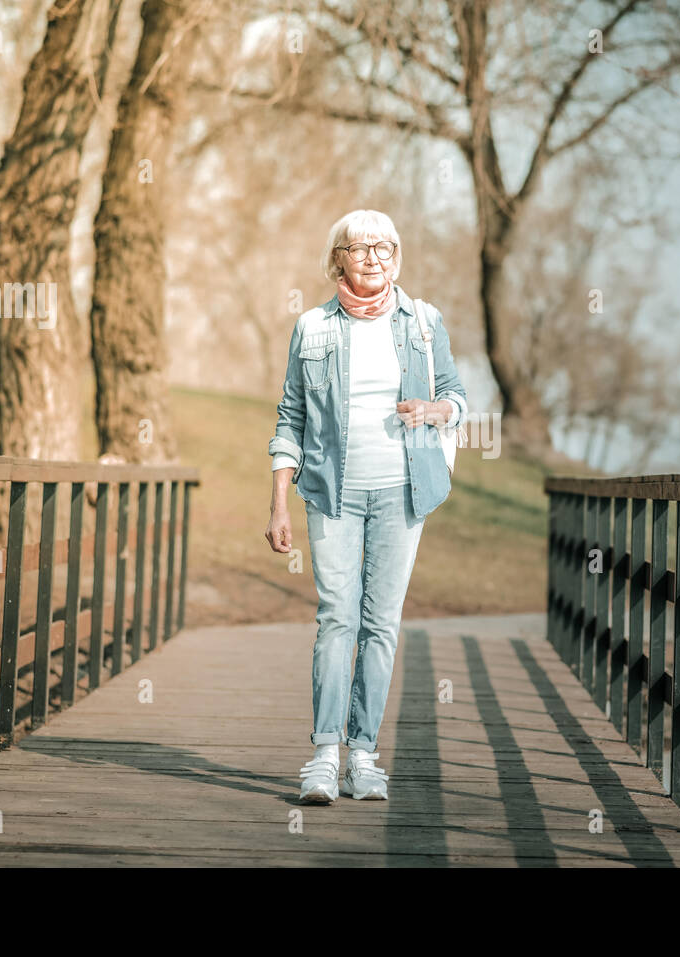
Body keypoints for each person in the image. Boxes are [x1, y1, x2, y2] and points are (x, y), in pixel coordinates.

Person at [264, 209, 467, 803]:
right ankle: (325, 756)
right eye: (360, 247)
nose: (374, 256)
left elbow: (454, 394)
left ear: (396, 256)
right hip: (332, 493)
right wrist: (279, 501)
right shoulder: (313, 327)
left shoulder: (424, 323)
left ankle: (365, 757)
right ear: (339, 260)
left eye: (384, 246)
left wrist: (434, 411)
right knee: (337, 618)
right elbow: (290, 419)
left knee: (380, 624)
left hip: (403, 495)